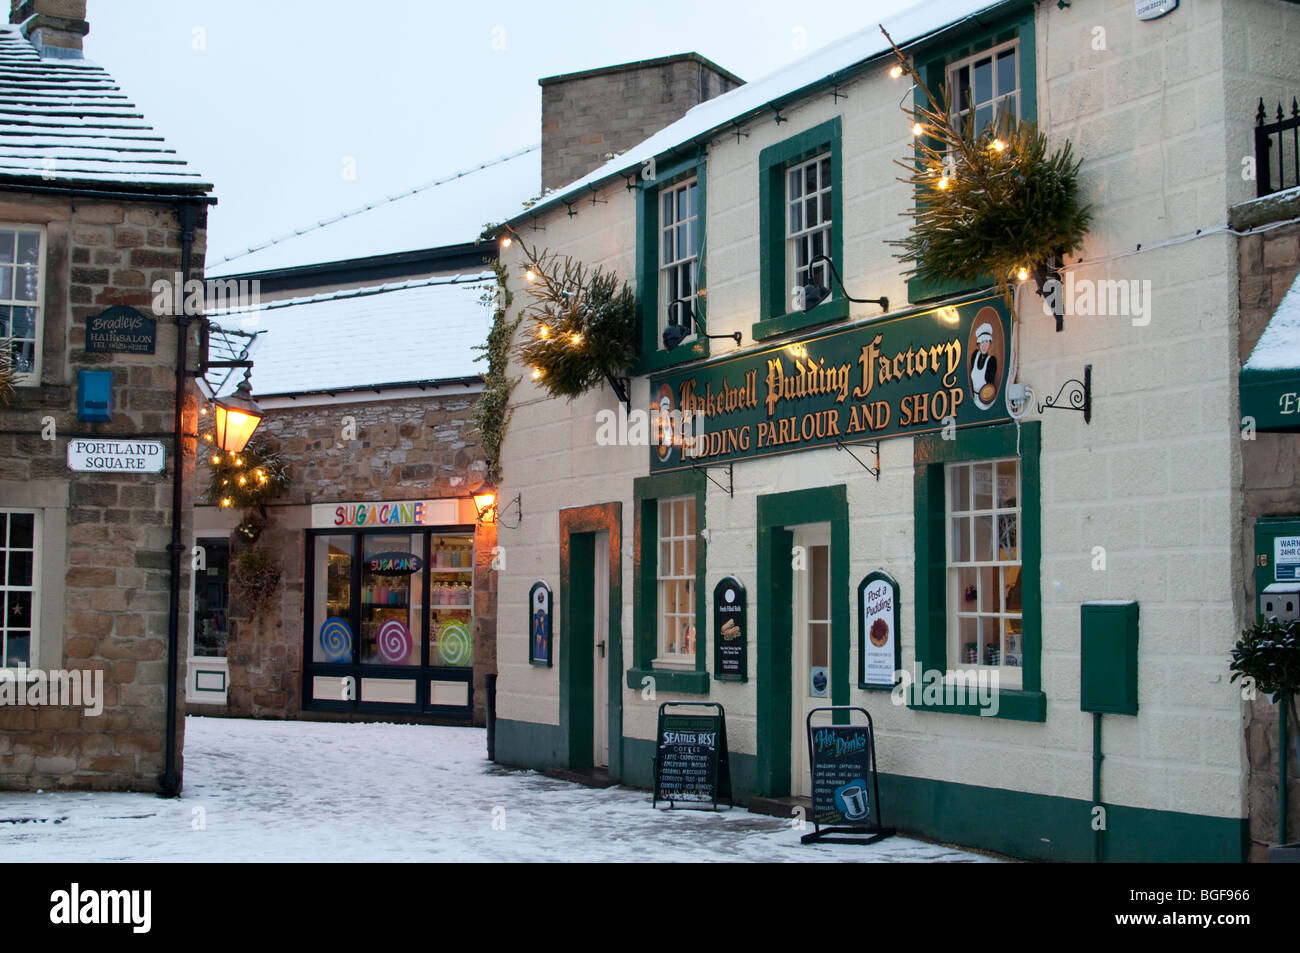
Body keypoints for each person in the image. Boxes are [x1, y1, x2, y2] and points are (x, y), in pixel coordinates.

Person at [970, 322, 998, 410]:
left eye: (986, 342)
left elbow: (990, 385)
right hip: (975, 399)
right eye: (982, 342)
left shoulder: (991, 360)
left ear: (990, 343)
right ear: (978, 344)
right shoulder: (975, 355)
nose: (984, 345)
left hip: (986, 403)